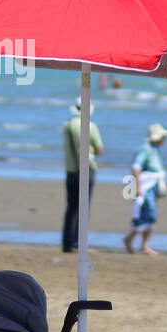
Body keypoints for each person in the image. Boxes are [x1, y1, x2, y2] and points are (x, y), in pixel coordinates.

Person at [62, 100, 103, 253]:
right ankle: (78, 243)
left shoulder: (68, 125)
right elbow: (99, 149)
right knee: (83, 208)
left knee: (71, 207)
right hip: (86, 168)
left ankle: (68, 243)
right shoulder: (90, 126)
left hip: (71, 169)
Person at [124, 123, 167, 256]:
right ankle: (130, 239)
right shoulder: (145, 149)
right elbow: (136, 167)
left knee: (150, 215)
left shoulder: (155, 150)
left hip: (152, 187)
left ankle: (144, 245)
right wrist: (137, 187)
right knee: (148, 213)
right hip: (145, 187)